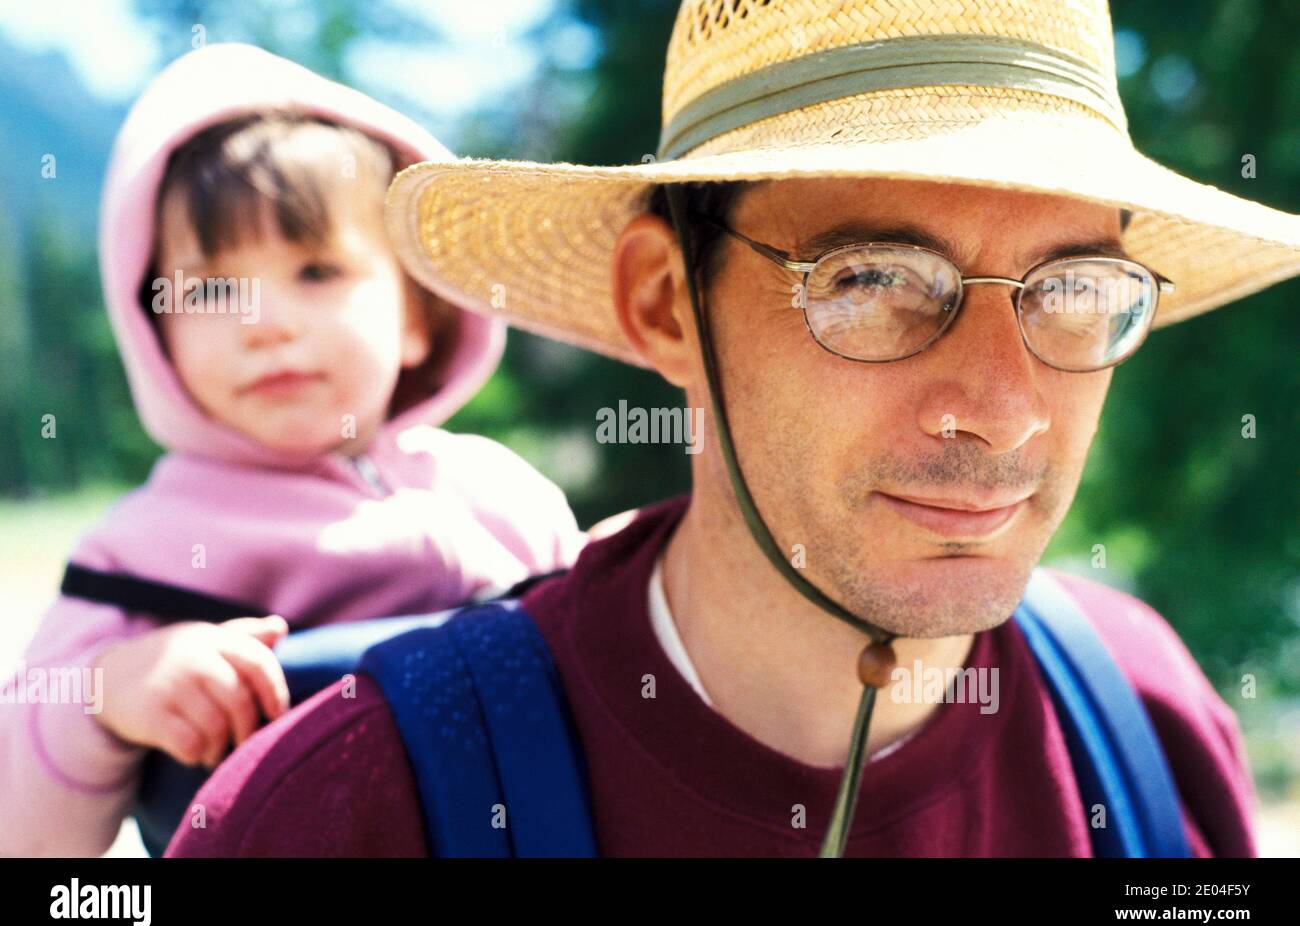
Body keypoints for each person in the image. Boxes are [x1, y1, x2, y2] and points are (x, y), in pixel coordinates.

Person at [168, 0, 1299, 857]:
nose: (1003, 411)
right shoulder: (346, 809)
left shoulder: (1141, 719)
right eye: (874, 281)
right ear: (664, 303)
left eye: (1072, 288)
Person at [0, 44, 584, 857]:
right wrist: (109, 695)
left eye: (316, 270)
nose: (265, 323)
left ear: (419, 314)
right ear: (155, 331)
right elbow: (21, 835)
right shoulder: (138, 553)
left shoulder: (503, 496)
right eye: (210, 290)